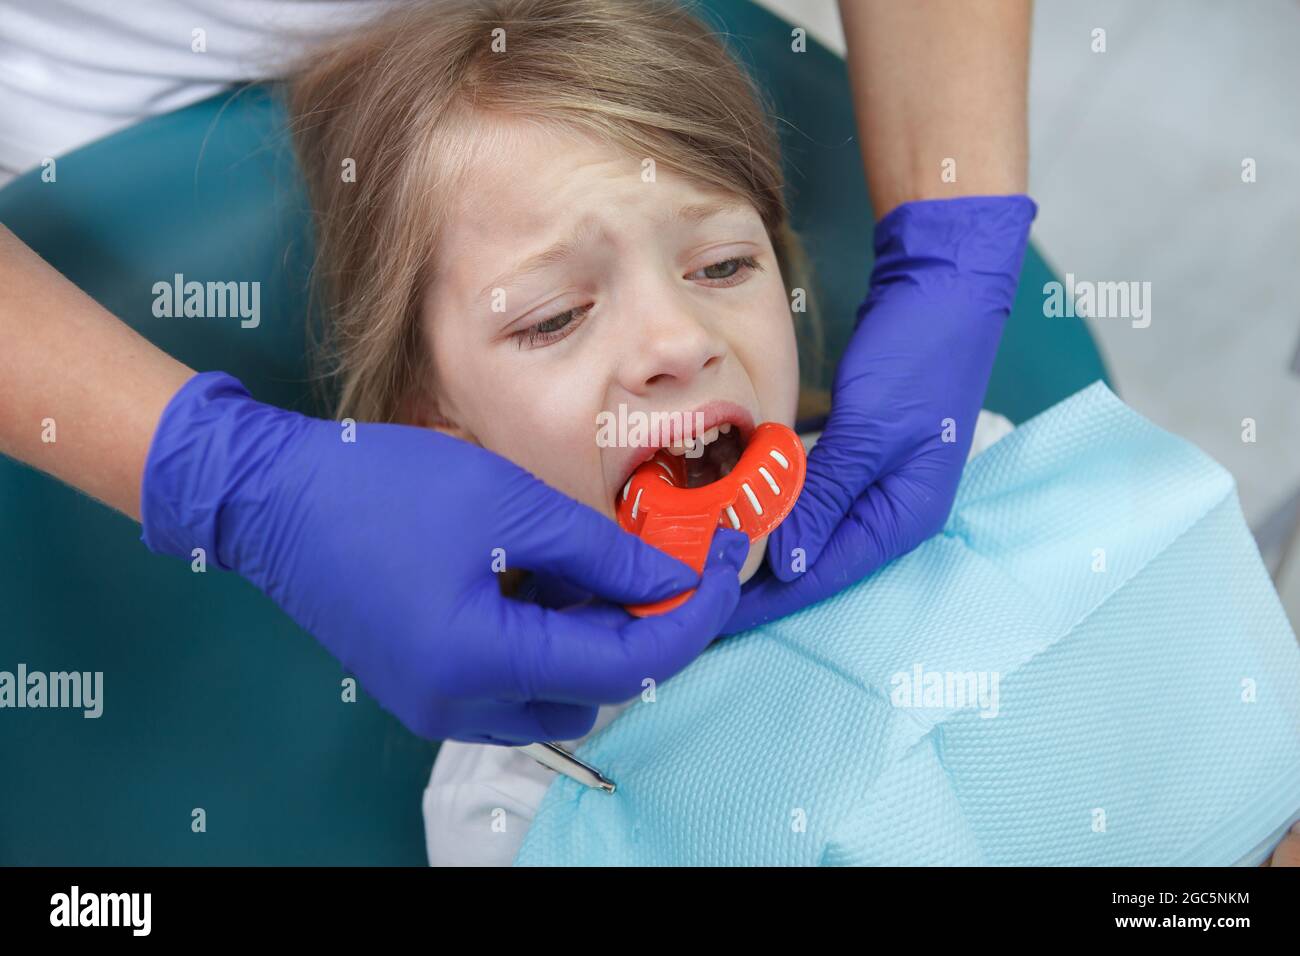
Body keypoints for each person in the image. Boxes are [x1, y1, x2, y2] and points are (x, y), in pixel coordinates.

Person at [0, 0, 1036, 747]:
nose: (679, 340)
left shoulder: (981, 476)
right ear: (431, 428)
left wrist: (955, 247)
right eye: (554, 318)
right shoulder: (514, 778)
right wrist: (224, 477)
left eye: (723, 264)